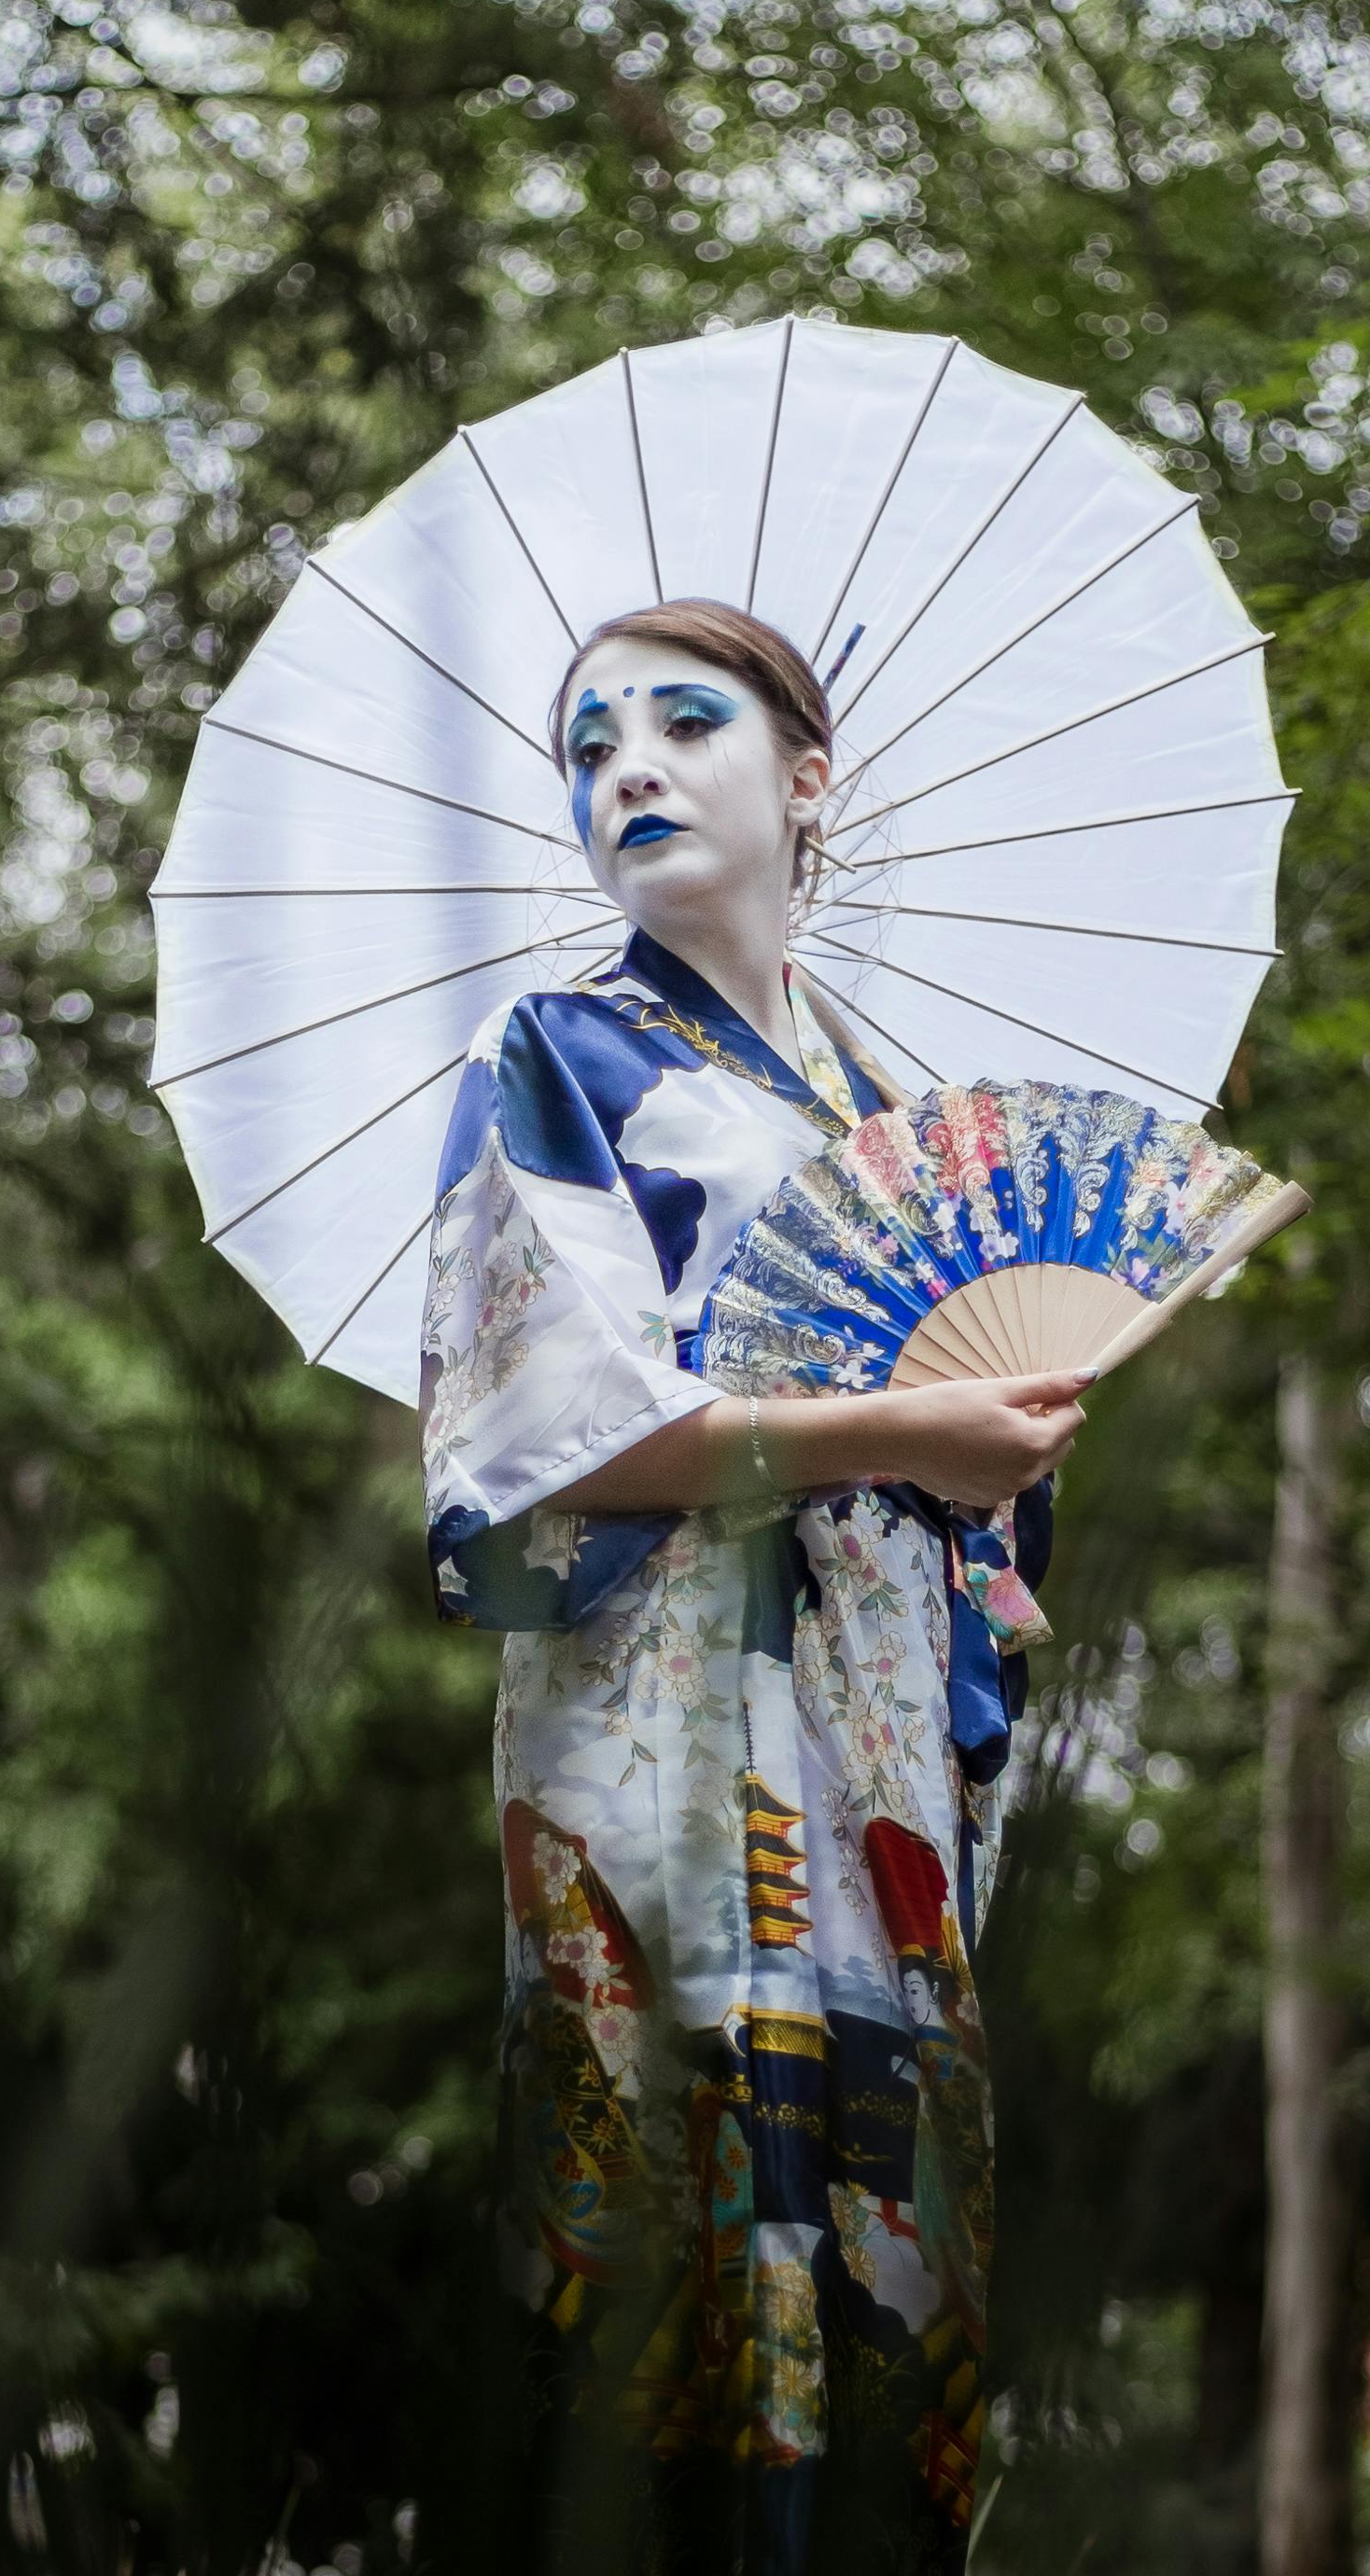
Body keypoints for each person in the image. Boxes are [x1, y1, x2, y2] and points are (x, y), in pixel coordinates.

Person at [419, 598, 1086, 2575]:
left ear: (808, 776)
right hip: (659, 1760)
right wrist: (899, 1433)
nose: (625, 760)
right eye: (587, 740)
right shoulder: (552, 1054)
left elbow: (971, 1524)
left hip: (884, 1791)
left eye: (682, 720)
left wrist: (992, 1519)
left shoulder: (916, 1119)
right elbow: (554, 1453)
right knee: (672, 2273)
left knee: (890, 2274)